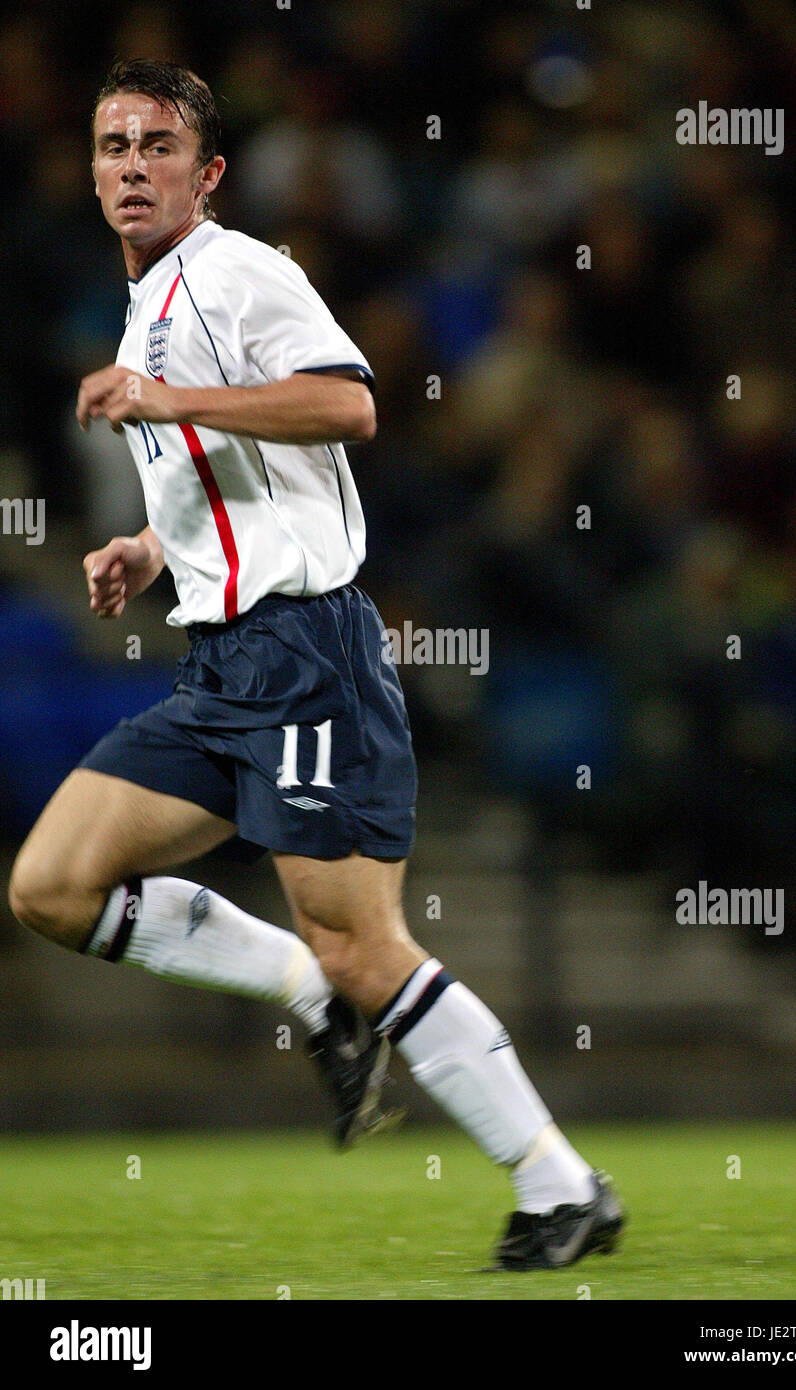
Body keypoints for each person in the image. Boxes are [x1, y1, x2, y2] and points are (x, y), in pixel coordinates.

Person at [8, 59, 623, 1270]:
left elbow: (346, 409)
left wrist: (166, 398)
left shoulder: (239, 268)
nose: (131, 165)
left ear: (208, 172)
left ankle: (563, 1185)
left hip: (306, 658)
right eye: (111, 145)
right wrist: (152, 543)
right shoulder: (151, 297)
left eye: (157, 146)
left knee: (368, 946)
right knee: (50, 886)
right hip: (221, 662)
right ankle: (301, 985)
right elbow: (242, 476)